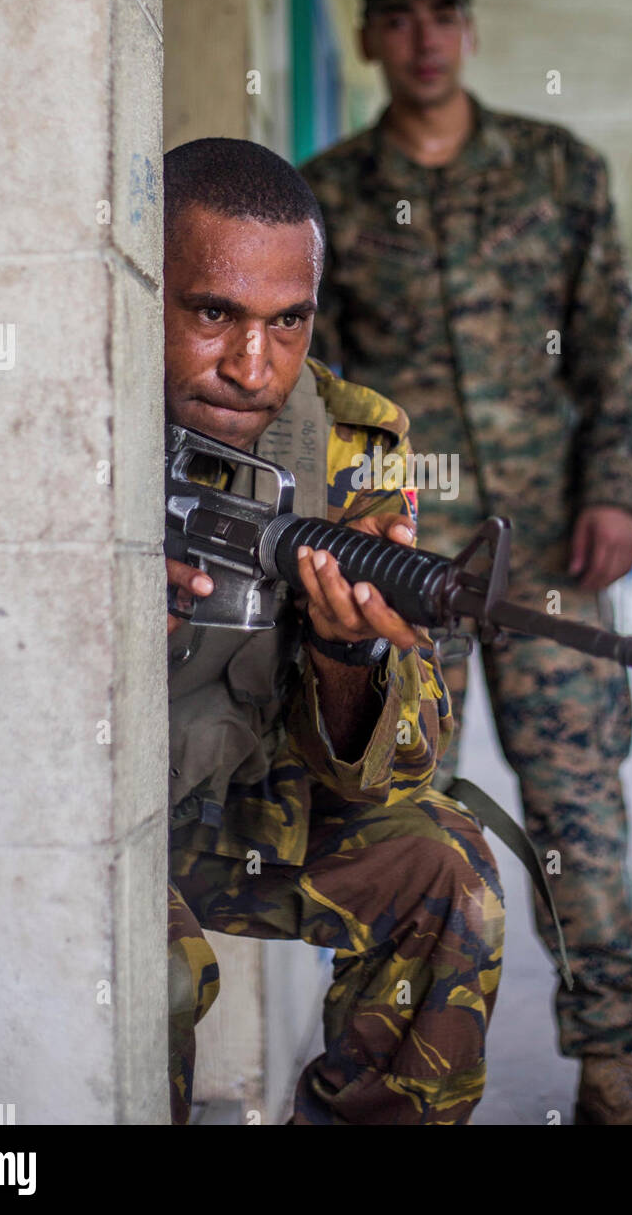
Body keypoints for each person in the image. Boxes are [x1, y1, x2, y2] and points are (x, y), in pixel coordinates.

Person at [301, 0, 632, 1125]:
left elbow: (614, 344)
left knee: (577, 808)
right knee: (403, 822)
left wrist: (618, 488)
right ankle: (396, 1080)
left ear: (468, 27)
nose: (422, 36)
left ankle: (608, 1064)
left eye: (441, 12)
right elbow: (314, 387)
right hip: (407, 568)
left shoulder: (556, 170)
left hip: (552, 550)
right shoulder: (331, 193)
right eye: (398, 16)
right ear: (367, 36)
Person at [162, 137, 504, 1125]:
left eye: (288, 321)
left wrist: (347, 654)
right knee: (156, 977)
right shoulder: (62, 414)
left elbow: (403, 770)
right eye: (212, 313)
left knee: (446, 865)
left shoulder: (348, 445)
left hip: (235, 814)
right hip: (76, 811)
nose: (250, 366)